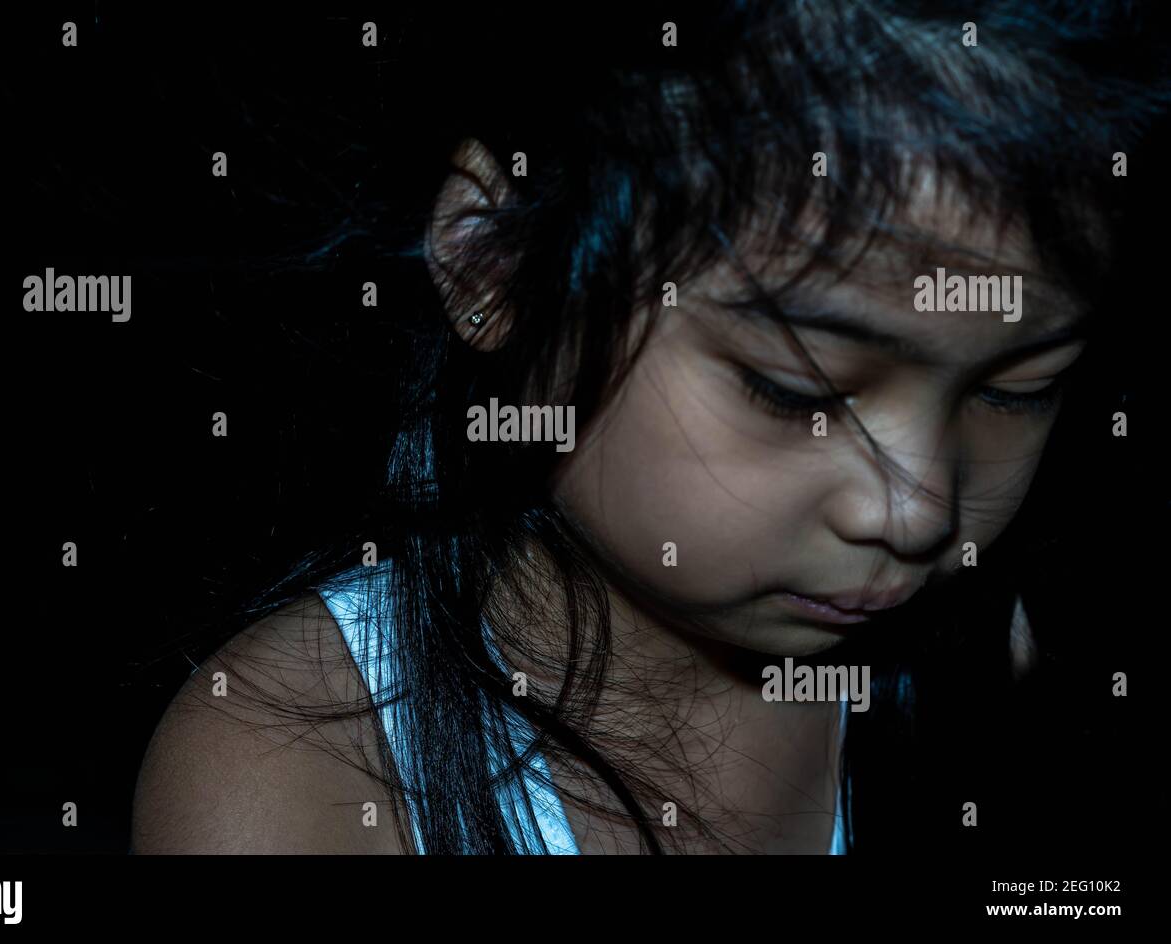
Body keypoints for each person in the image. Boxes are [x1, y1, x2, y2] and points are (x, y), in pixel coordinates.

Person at [130, 0, 1168, 854]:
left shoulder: (1005, 663)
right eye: (794, 393)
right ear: (495, 259)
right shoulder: (291, 781)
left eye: (1018, 387)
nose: (918, 507)